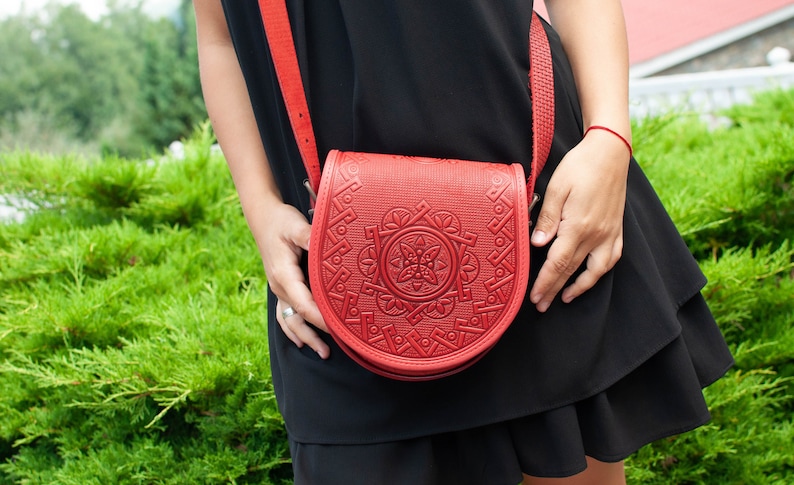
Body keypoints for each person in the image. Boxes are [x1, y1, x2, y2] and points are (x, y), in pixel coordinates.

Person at [193, 0, 734, 483]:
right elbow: (220, 35)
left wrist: (609, 138)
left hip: (539, 210)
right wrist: (260, 208)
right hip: (337, 260)